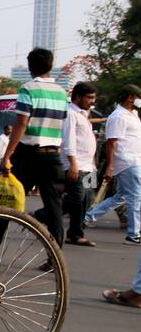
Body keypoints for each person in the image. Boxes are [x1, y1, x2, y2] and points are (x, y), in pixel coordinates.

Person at [0, 48, 69, 246]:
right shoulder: (61, 93)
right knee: (54, 206)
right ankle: (55, 254)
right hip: (52, 154)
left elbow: (21, 124)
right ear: (50, 66)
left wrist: (7, 156)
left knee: (8, 201)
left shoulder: (28, 89)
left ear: (30, 67)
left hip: (29, 154)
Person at [83, 84, 141, 244]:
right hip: (128, 161)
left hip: (135, 160)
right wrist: (111, 166)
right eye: (138, 97)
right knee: (135, 197)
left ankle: (87, 217)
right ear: (130, 97)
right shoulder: (118, 117)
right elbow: (112, 143)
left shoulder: (133, 114)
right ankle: (133, 234)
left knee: (120, 197)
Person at [62, 81, 99, 247]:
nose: (92, 101)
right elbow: (68, 139)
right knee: (77, 198)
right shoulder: (70, 113)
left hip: (89, 166)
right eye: (89, 97)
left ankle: (75, 234)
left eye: (93, 98)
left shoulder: (83, 114)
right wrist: (72, 163)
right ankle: (46, 214)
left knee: (88, 199)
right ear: (77, 97)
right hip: (77, 164)